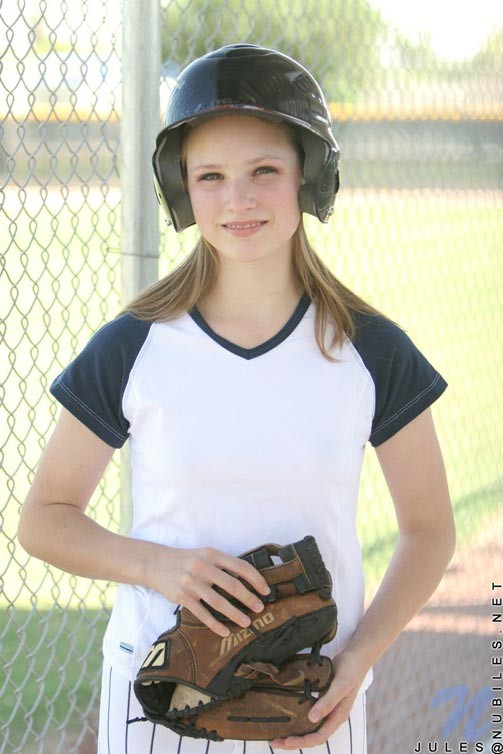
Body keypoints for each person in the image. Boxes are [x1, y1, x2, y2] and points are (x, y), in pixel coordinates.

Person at [18, 44, 455, 753]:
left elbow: (430, 528)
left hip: (313, 697)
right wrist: (158, 565)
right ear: (183, 190)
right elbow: (44, 519)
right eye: (210, 176)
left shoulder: (368, 347)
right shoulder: (134, 344)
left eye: (264, 172)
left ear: (309, 177)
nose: (238, 199)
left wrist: (358, 658)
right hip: (162, 692)